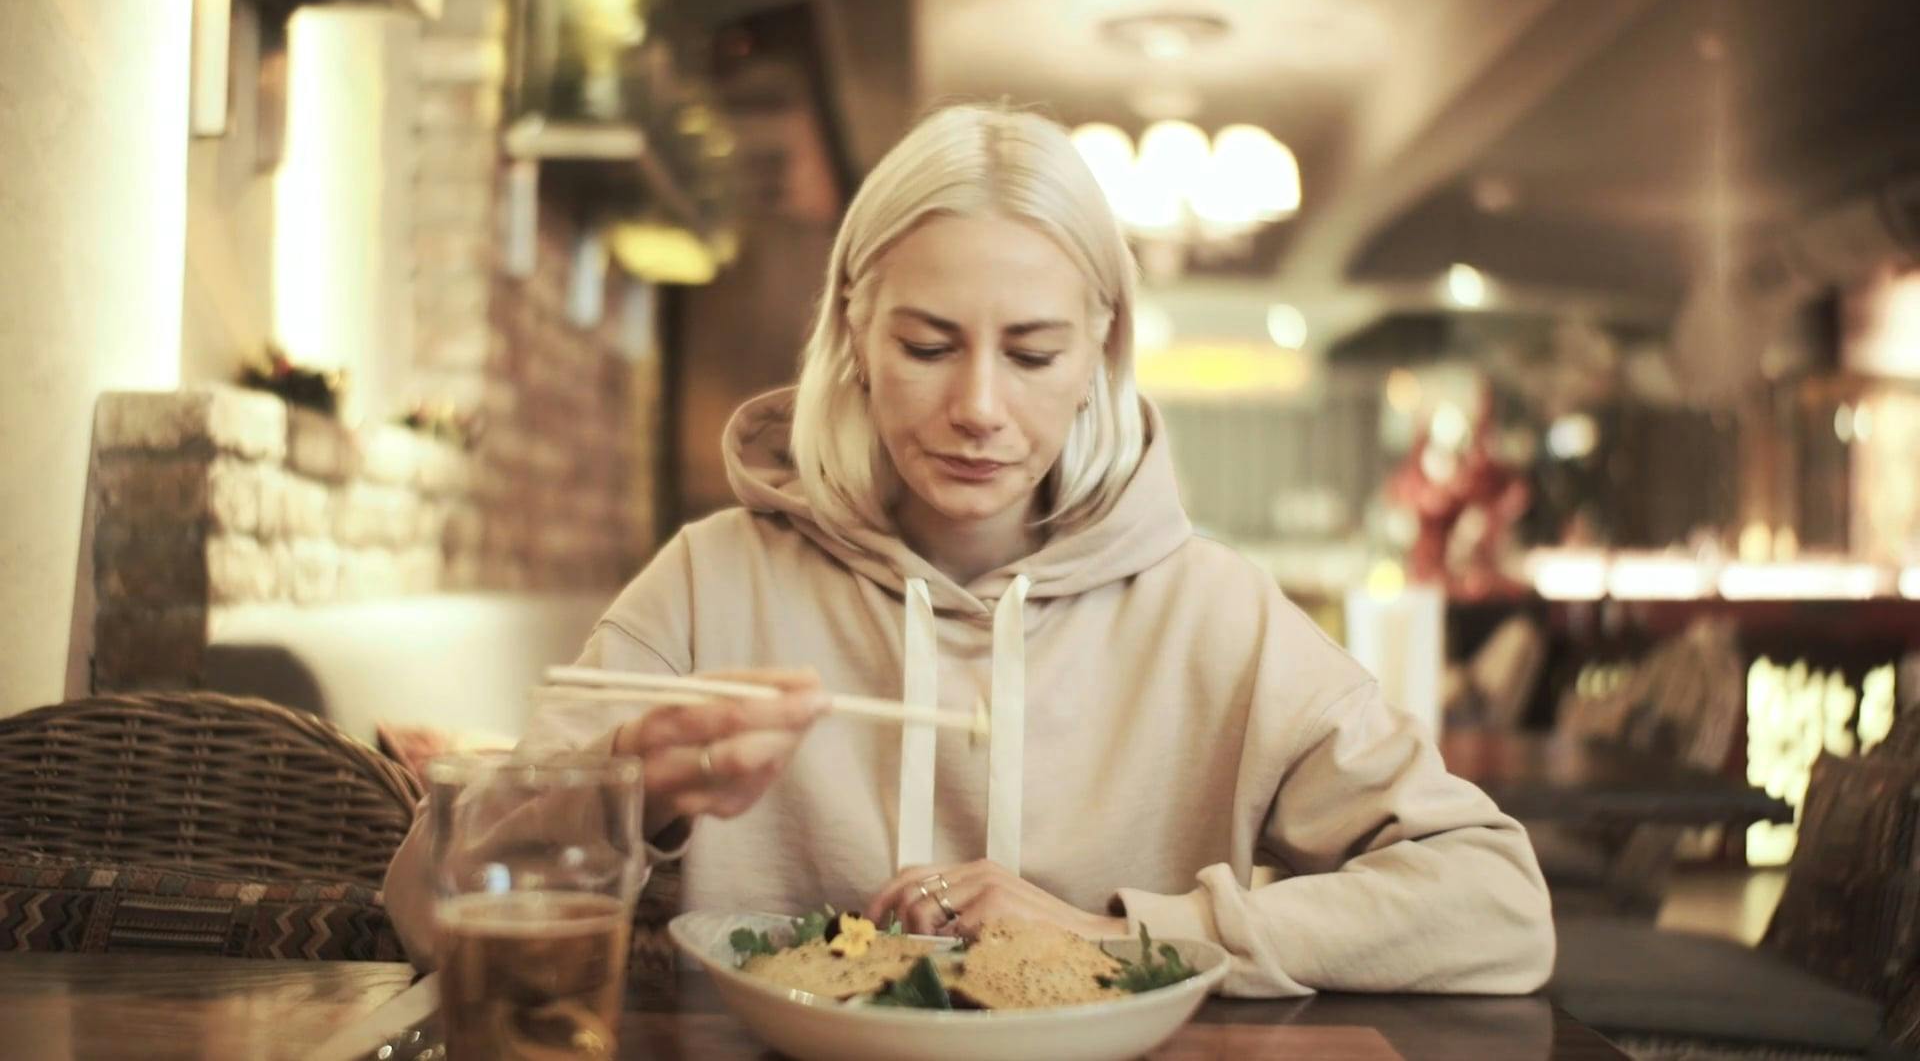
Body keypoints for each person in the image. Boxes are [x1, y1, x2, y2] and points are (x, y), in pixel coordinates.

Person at [384, 102, 1555, 997]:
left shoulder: (1216, 617)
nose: (980, 408)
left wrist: (1119, 935)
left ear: (1103, 346)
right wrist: (621, 786)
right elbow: (424, 909)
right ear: (856, 330)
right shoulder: (710, 582)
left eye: (1035, 354)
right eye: (931, 344)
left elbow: (1498, 904)